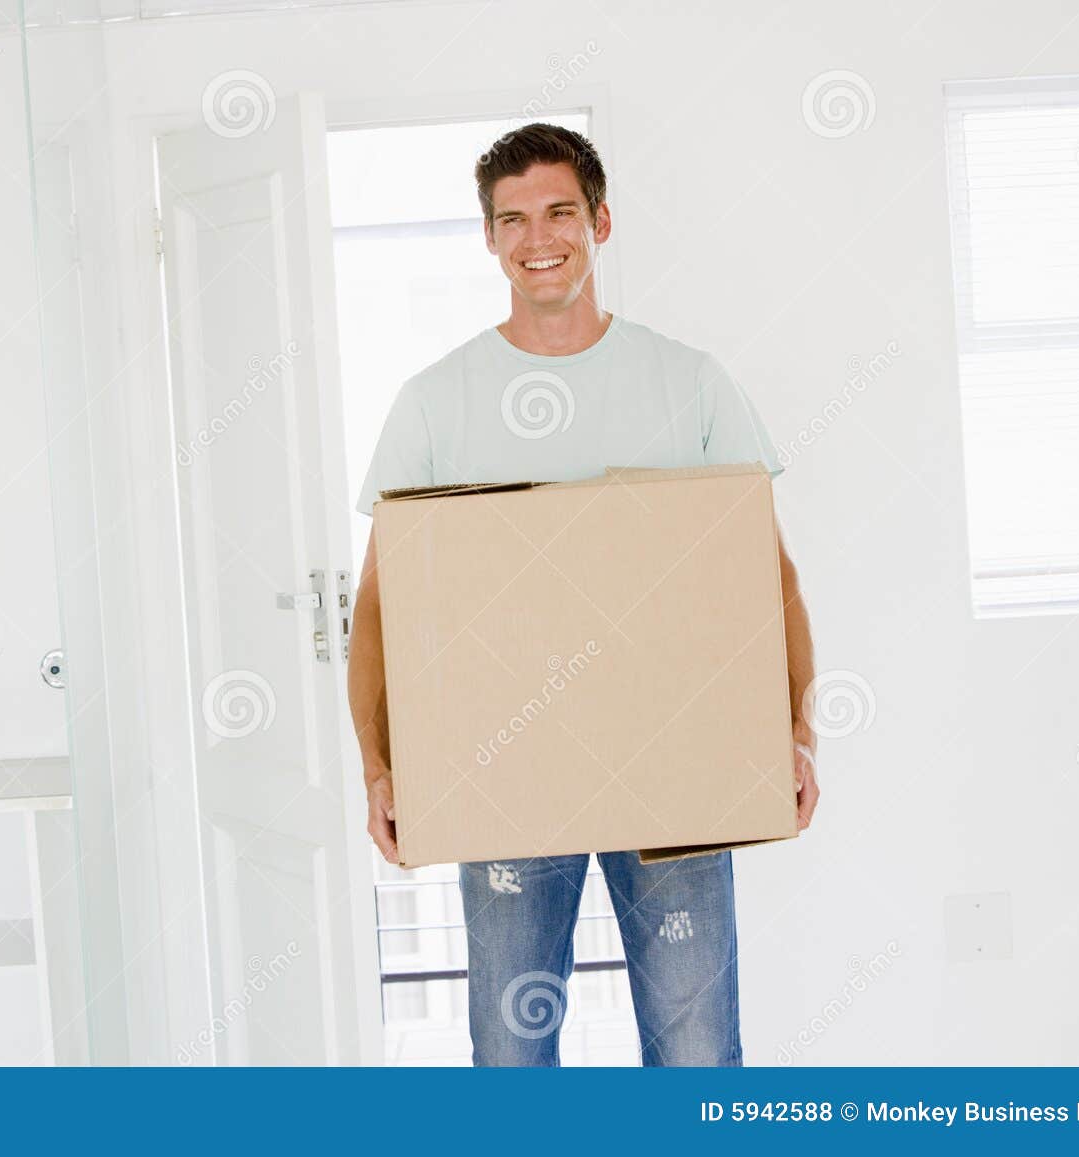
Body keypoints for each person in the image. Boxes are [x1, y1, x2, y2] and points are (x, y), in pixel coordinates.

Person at [345, 123, 820, 1067]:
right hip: (503, 770)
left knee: (696, 1051)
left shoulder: (689, 383)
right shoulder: (438, 401)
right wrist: (380, 766)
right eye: (512, 218)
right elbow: (379, 609)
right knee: (511, 1061)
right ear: (488, 240)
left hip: (676, 773)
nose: (538, 236)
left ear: (600, 220)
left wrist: (796, 729)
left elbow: (766, 575)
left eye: (560, 210)